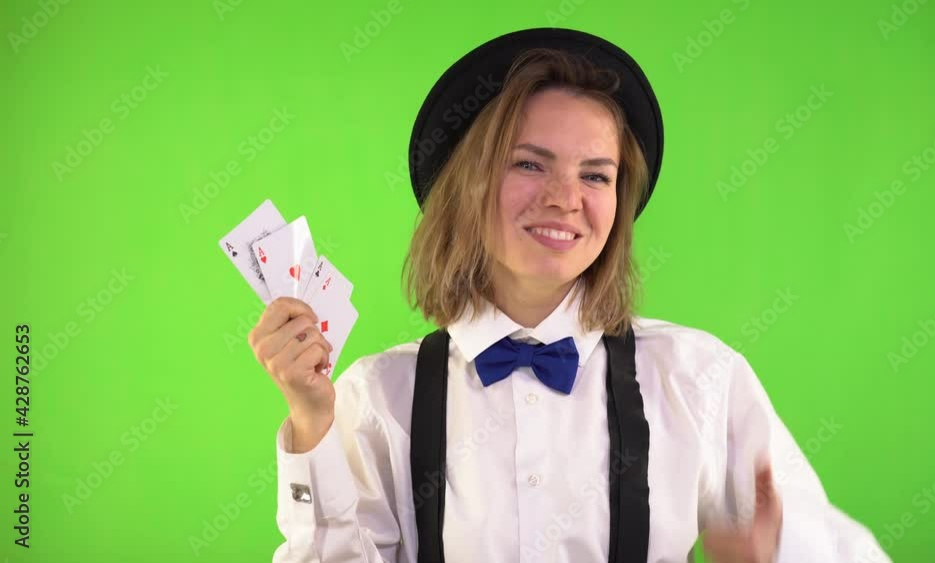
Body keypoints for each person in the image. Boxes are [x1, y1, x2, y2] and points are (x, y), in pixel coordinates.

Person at [249, 28, 891, 563]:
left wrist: (777, 553)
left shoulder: (700, 378)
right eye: (529, 163)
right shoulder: (377, 396)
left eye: (596, 175)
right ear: (467, 186)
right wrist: (311, 422)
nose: (565, 199)